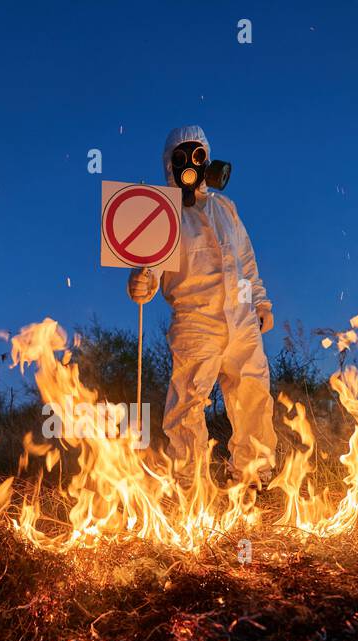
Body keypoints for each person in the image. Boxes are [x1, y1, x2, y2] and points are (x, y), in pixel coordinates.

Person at [127, 124, 277, 485]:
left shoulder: (226, 208)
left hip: (241, 320)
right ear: (170, 165)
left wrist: (260, 302)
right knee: (187, 403)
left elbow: (246, 260)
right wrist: (140, 282)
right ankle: (189, 482)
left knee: (252, 394)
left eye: (198, 155)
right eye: (182, 158)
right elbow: (149, 273)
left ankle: (252, 474)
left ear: (207, 158)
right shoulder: (165, 216)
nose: (192, 163)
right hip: (196, 321)